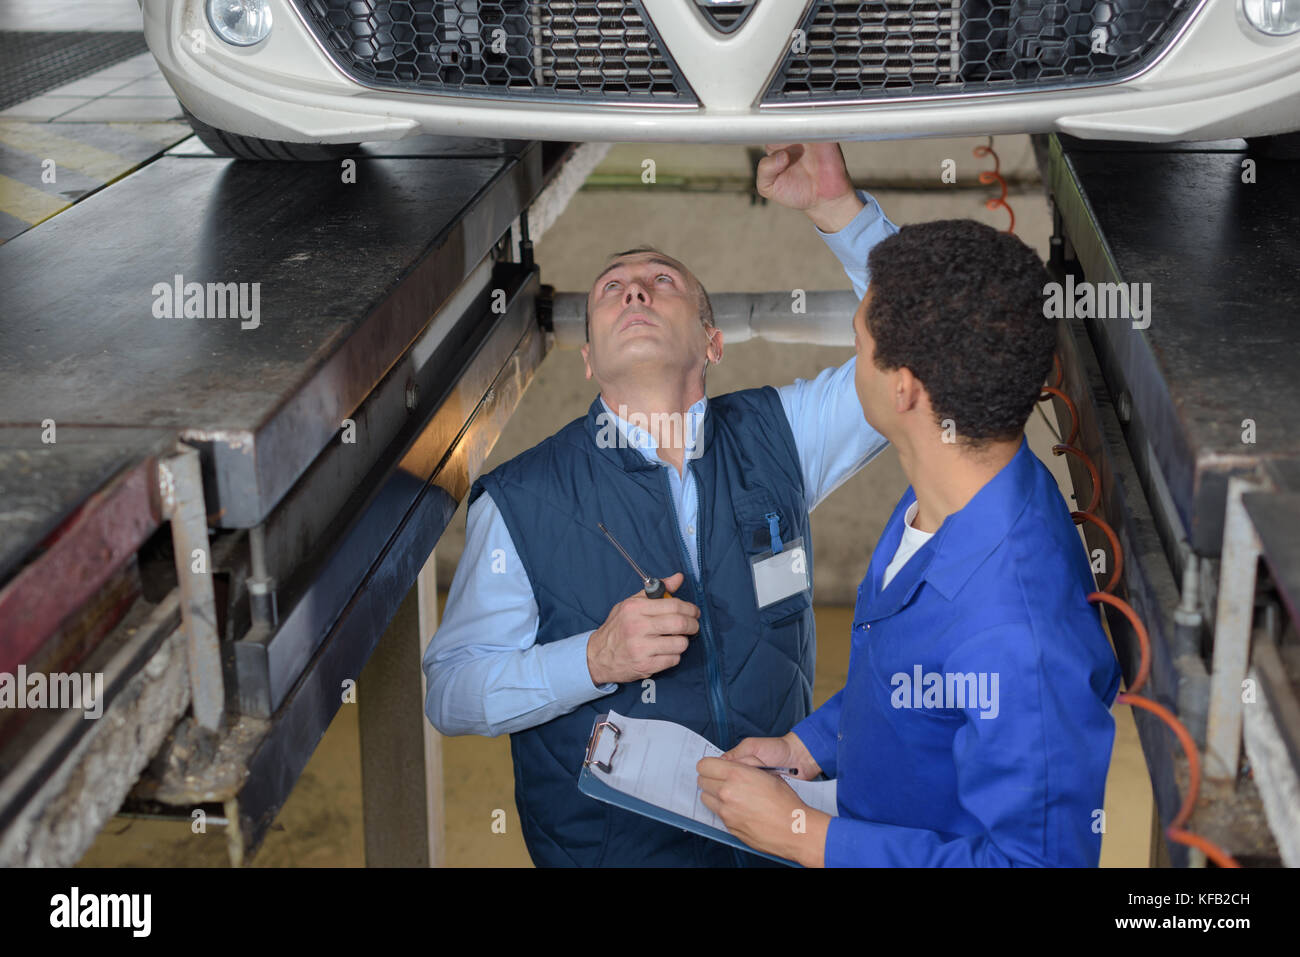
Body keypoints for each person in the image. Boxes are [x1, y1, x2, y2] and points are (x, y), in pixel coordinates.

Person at [422, 143, 900, 866]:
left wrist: (838, 208)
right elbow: (450, 690)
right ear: (587, 357)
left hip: (775, 844)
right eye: (612, 288)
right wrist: (592, 657)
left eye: (662, 280)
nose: (635, 291)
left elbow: (924, 341)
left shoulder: (783, 436)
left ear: (712, 340)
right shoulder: (524, 499)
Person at [697, 219, 1123, 867]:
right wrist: (811, 746)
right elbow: (911, 681)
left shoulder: (1019, 638)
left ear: (905, 389)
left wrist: (802, 835)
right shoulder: (956, 485)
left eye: (859, 344)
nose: (852, 357)